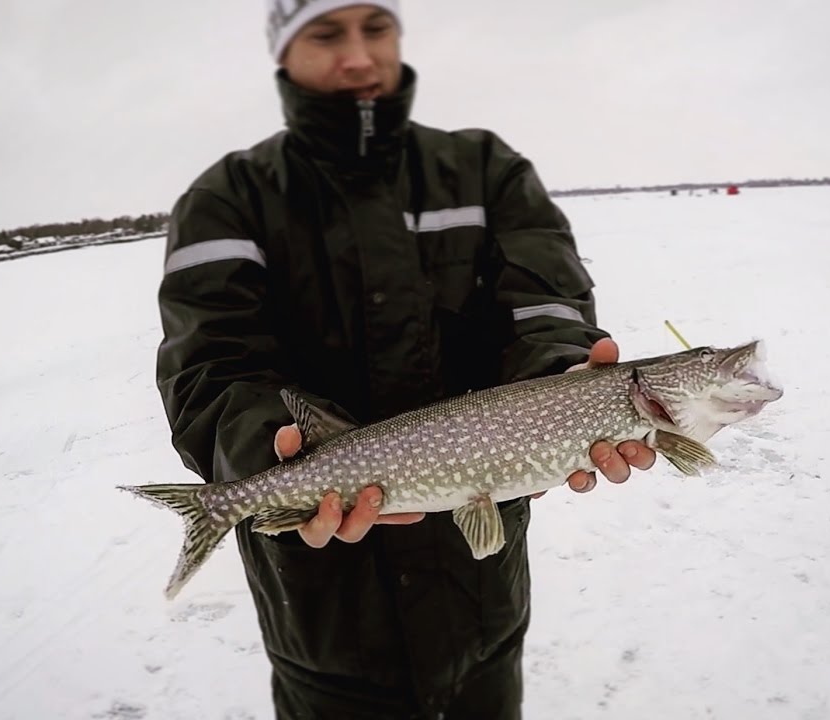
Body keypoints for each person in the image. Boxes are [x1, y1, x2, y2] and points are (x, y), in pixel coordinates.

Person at [154, 2, 656, 717]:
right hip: (322, 622)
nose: (358, 56)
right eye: (326, 34)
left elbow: (545, 306)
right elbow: (210, 371)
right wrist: (272, 450)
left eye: (376, 28)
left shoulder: (485, 170)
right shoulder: (227, 200)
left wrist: (562, 380)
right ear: (283, 55)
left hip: (481, 601)